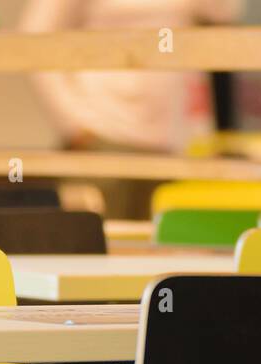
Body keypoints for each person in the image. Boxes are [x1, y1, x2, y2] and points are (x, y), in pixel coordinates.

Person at [19, 0, 243, 218]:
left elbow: (223, 12)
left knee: (169, 248)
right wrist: (73, 124)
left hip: (175, 141)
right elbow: (35, 35)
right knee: (98, 244)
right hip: (104, 134)